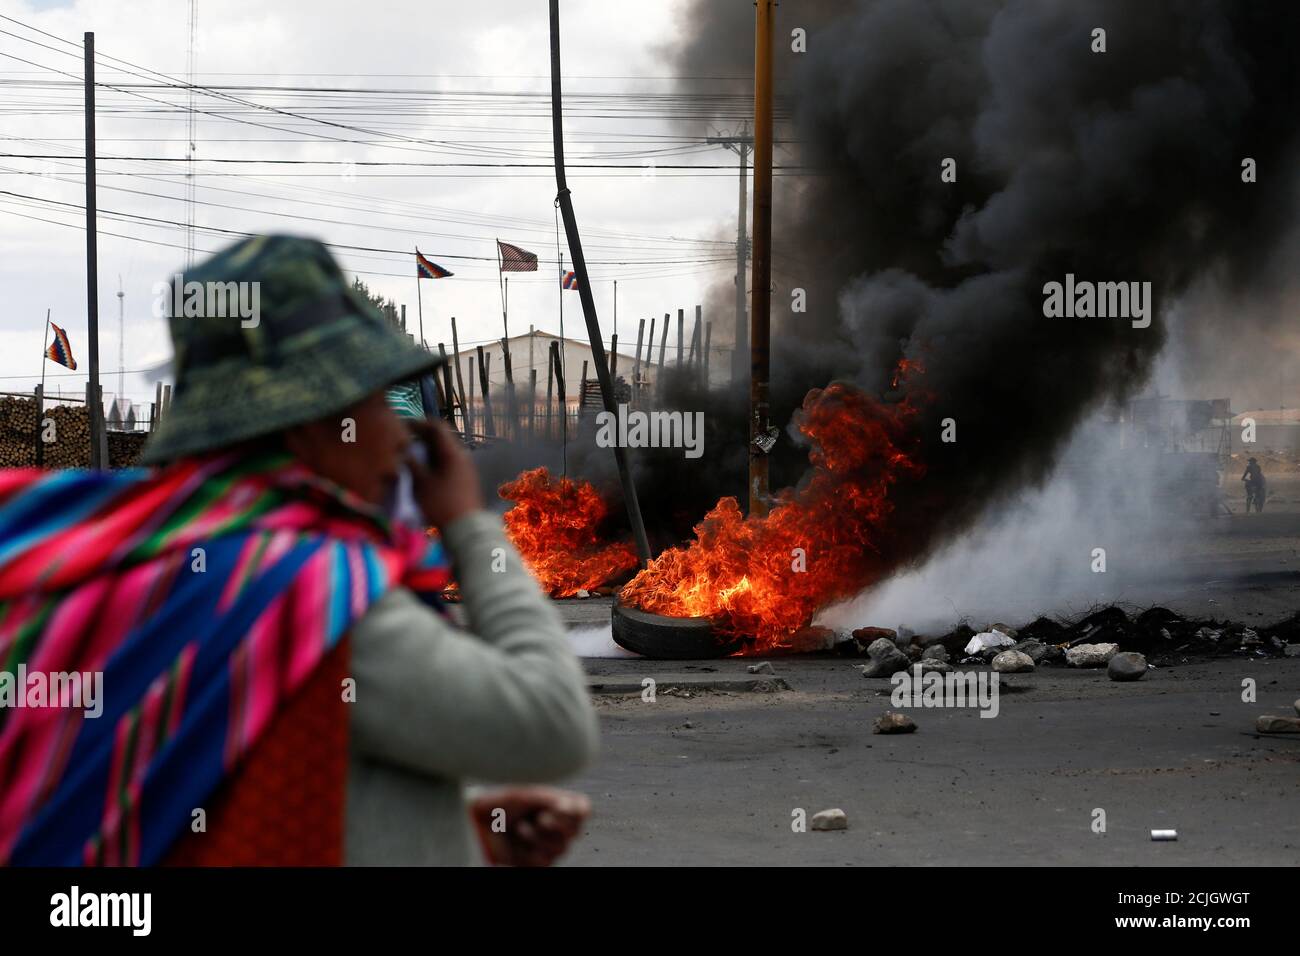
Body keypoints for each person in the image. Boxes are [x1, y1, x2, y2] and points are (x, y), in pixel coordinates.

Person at [0, 235, 597, 866]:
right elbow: (552, 724)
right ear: (316, 419)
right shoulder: (312, 593)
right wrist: (468, 525)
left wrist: (450, 831)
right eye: (377, 399)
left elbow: (225, 795)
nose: (403, 435)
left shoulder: (153, 559)